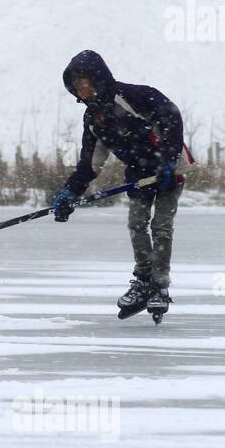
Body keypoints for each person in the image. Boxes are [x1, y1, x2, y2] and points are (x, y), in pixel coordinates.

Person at [52, 50, 185, 319]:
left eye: (85, 84)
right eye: (77, 87)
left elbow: (172, 117)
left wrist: (168, 162)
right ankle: (144, 280)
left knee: (160, 226)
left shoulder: (135, 96)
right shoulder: (93, 119)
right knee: (137, 224)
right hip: (138, 174)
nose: (82, 91)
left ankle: (160, 286)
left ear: (98, 79)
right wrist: (70, 192)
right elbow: (90, 163)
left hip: (170, 170)